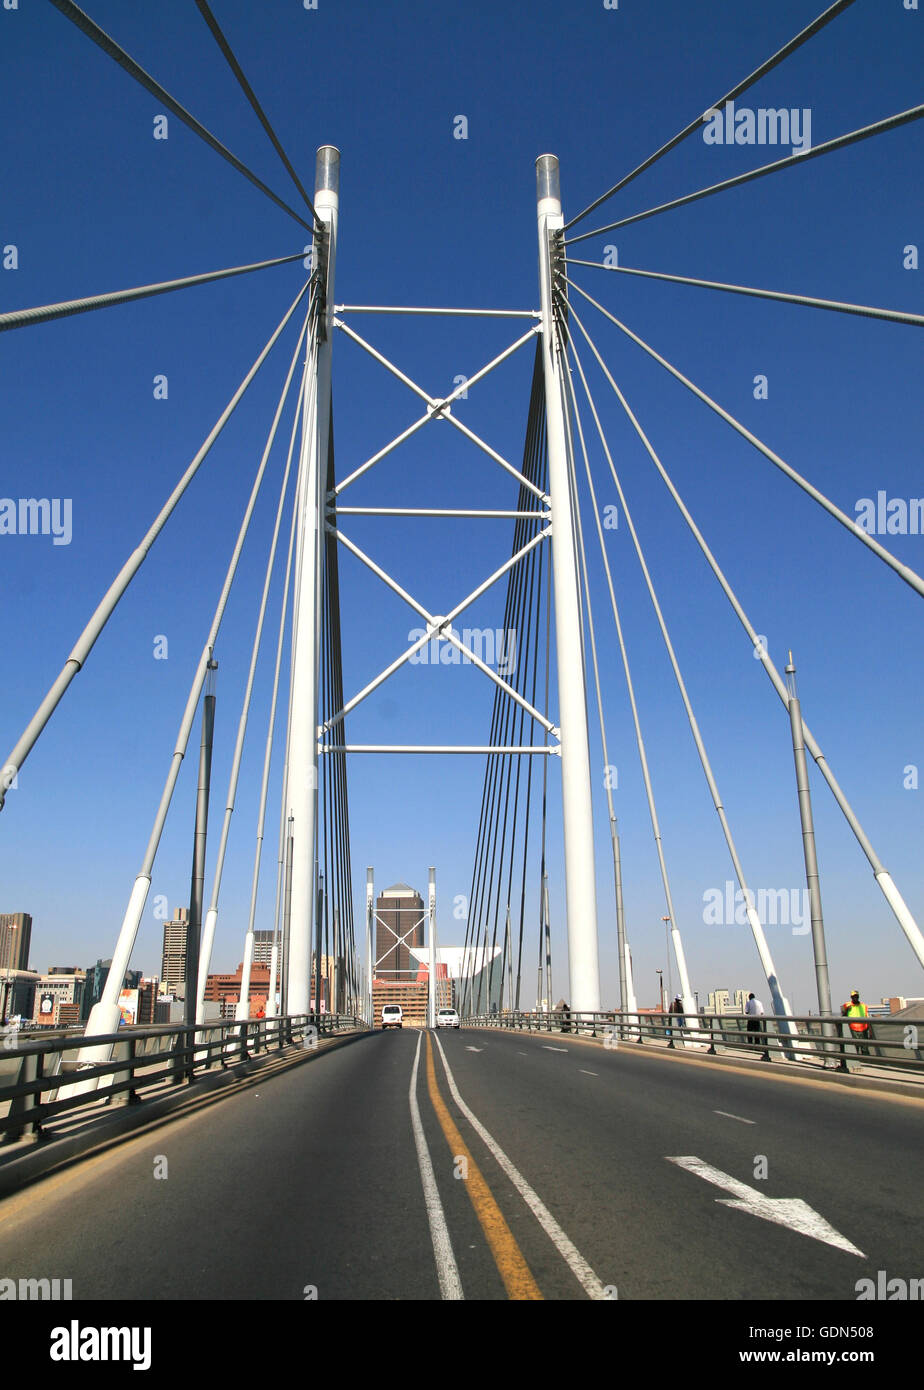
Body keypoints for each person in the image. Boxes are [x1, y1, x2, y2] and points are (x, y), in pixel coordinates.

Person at [841, 989, 871, 1057]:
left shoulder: (863, 1006)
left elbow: (867, 1017)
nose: (855, 998)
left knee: (865, 1048)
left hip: (863, 1029)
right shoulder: (847, 1005)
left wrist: (870, 1031)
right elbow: (843, 1015)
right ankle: (857, 1061)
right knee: (855, 1047)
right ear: (851, 997)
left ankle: (866, 1061)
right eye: (853, 996)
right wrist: (846, 1009)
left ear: (858, 997)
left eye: (856, 996)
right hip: (853, 1029)